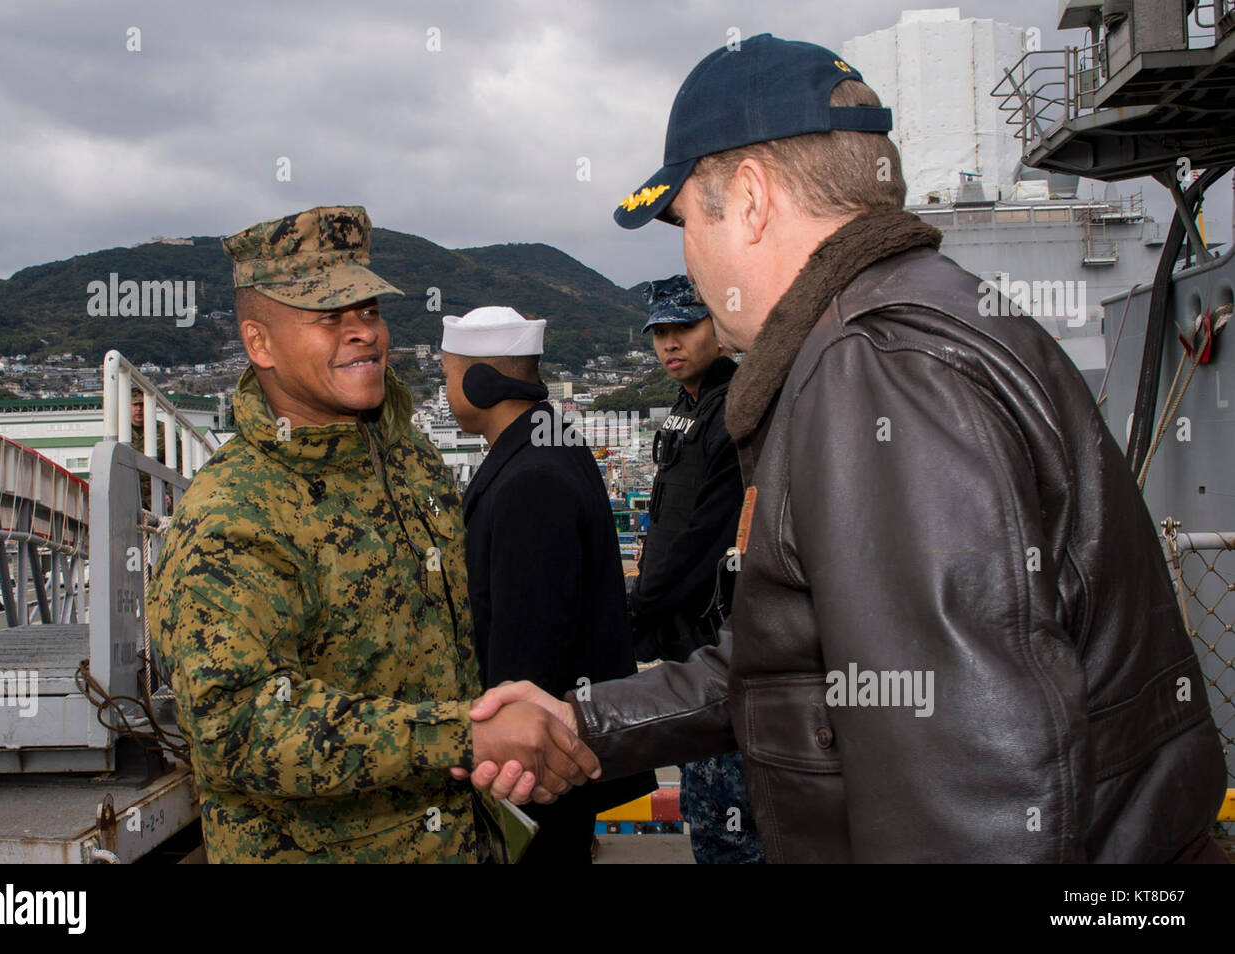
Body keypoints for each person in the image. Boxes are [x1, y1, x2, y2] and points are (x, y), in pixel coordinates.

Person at [463, 36, 1229, 863]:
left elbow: (977, 789)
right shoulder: (923, 323)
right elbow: (802, 665)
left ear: (750, 201)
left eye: (684, 221)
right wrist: (583, 721)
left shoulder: (874, 371)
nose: (685, 252)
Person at [146, 206, 599, 864]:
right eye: (329, 318)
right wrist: (462, 740)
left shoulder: (408, 459)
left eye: (368, 312)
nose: (362, 334)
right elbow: (236, 728)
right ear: (260, 344)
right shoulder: (234, 510)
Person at [442, 306, 655, 863]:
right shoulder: (554, 445)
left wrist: (503, 751)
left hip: (536, 763)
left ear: (479, 382)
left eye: (447, 375)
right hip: (560, 750)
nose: (445, 392)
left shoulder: (530, 478)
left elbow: (527, 639)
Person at [628, 275, 763, 864]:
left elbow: (703, 538)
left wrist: (635, 602)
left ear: (720, 329)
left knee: (729, 826)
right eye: (660, 332)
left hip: (718, 644)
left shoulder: (735, 410)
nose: (670, 343)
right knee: (705, 811)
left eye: (684, 326)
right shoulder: (687, 409)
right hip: (687, 640)